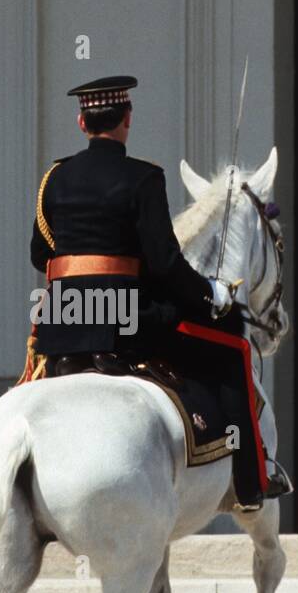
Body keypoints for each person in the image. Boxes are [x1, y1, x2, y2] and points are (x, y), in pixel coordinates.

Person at [28, 75, 234, 374]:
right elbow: (164, 263)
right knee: (216, 360)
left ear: (82, 123)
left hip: (63, 322)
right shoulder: (144, 177)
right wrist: (209, 292)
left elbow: (39, 255)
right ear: (127, 118)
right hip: (126, 321)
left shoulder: (55, 177)